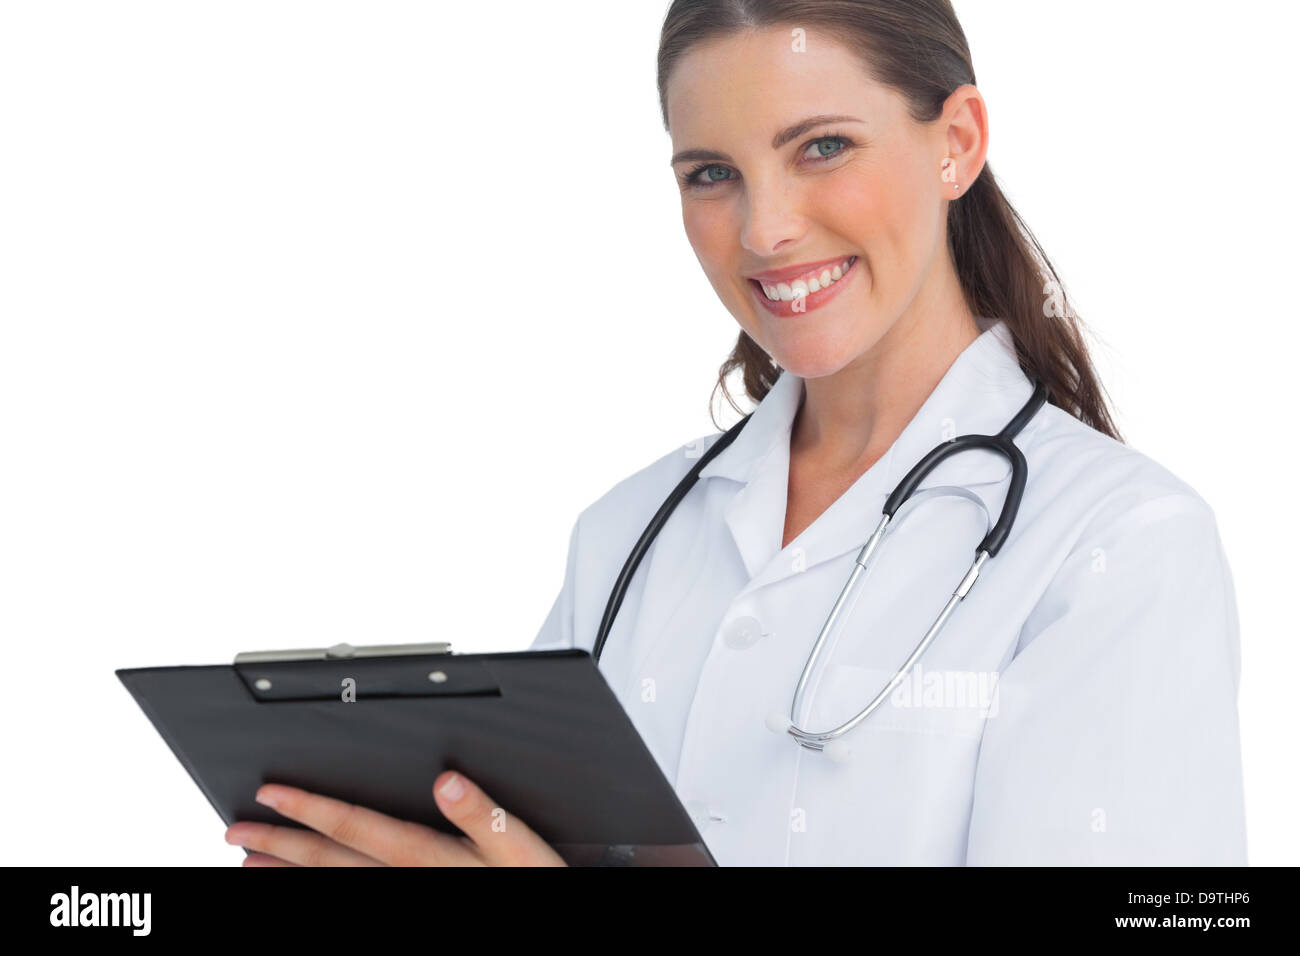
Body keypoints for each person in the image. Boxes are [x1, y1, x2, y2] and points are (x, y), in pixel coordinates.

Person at [222, 0, 1247, 866]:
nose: (763, 230)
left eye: (823, 148)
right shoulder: (626, 536)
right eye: (710, 172)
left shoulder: (1118, 546)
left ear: (957, 143)